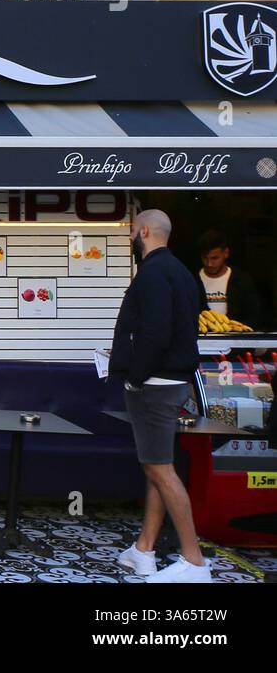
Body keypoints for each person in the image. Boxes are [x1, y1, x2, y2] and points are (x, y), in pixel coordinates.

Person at [110, 209, 212, 583]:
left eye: (132, 231)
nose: (131, 237)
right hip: (171, 381)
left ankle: (194, 561)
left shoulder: (153, 273)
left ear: (146, 231)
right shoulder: (182, 273)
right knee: (157, 462)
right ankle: (144, 550)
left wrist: (134, 376)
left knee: (159, 469)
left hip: (154, 384)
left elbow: (155, 332)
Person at [196, 229, 264, 331]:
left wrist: (236, 328)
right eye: (205, 258)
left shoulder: (241, 280)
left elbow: (254, 314)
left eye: (214, 258)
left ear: (226, 253)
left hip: (237, 340)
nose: (209, 263)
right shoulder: (193, 279)